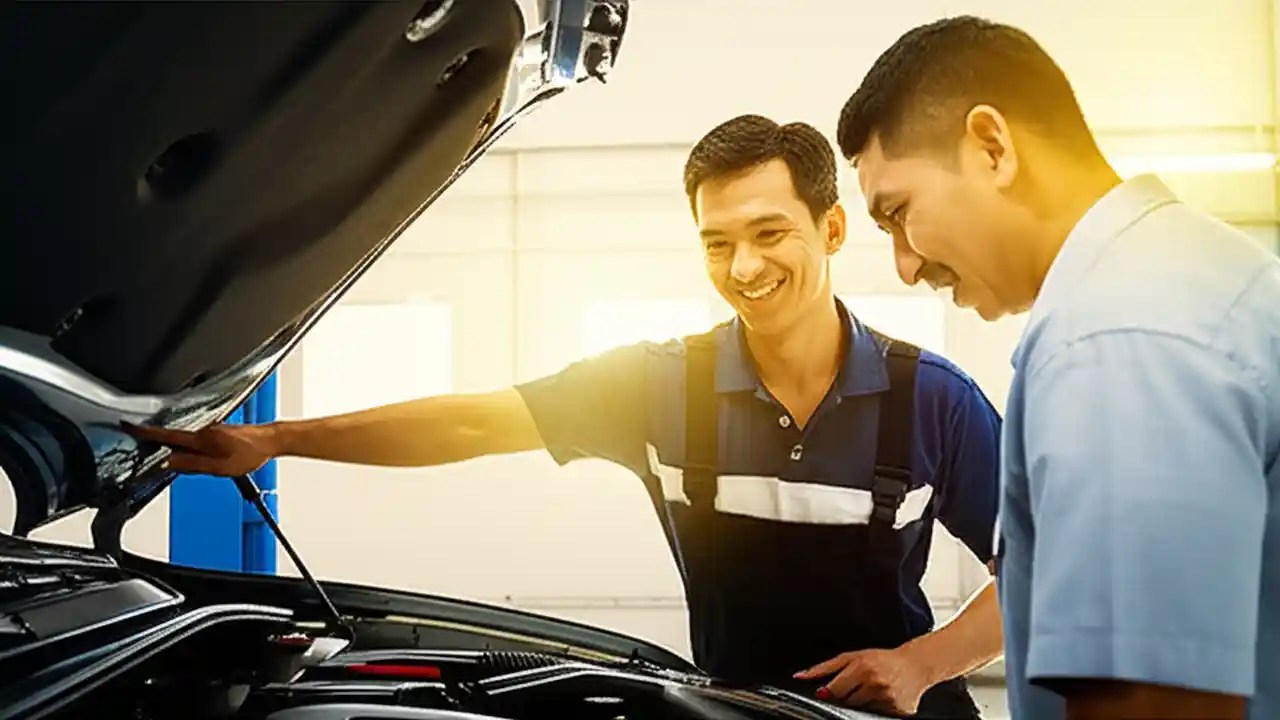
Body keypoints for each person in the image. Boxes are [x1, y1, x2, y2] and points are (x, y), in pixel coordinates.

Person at [127, 114, 1005, 719]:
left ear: (832, 229)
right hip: (728, 713)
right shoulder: (662, 387)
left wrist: (924, 665)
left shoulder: (931, 399)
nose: (742, 266)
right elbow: (471, 423)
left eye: (770, 233)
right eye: (716, 241)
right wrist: (273, 441)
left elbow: (1049, 566)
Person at [835, 15, 1280, 720]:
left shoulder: (1116, 338)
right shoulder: (1185, 278)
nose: (906, 264)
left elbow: (1151, 705)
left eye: (899, 213)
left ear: (992, 148)